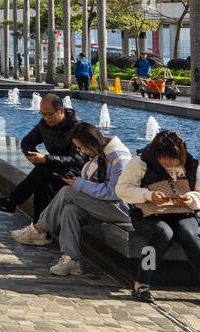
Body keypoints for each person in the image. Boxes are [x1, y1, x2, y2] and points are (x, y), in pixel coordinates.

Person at [10, 123, 131, 276]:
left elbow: (115, 192)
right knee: (70, 211)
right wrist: (80, 182)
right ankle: (71, 260)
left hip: (120, 208)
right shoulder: (96, 154)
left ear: (91, 142)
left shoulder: (118, 157)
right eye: (78, 148)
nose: (81, 151)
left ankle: (39, 229)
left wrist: (80, 184)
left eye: (81, 147)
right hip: (102, 204)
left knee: (68, 192)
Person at [114, 130, 200, 302]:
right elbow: (121, 189)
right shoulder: (139, 162)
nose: (170, 162)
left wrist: (191, 198)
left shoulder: (192, 165)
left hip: (183, 212)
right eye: (165, 158)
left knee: (189, 234)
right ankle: (142, 283)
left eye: (174, 158)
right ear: (156, 153)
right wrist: (148, 195)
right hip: (147, 214)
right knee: (163, 233)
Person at [0, 93, 84, 221]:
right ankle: (41, 230)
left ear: (60, 110)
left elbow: (78, 160)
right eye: (42, 114)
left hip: (76, 175)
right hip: (53, 170)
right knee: (43, 182)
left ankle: (11, 202)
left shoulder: (77, 128)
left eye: (49, 114)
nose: (46, 118)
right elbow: (27, 142)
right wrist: (32, 155)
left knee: (43, 171)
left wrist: (46, 160)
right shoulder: (44, 123)